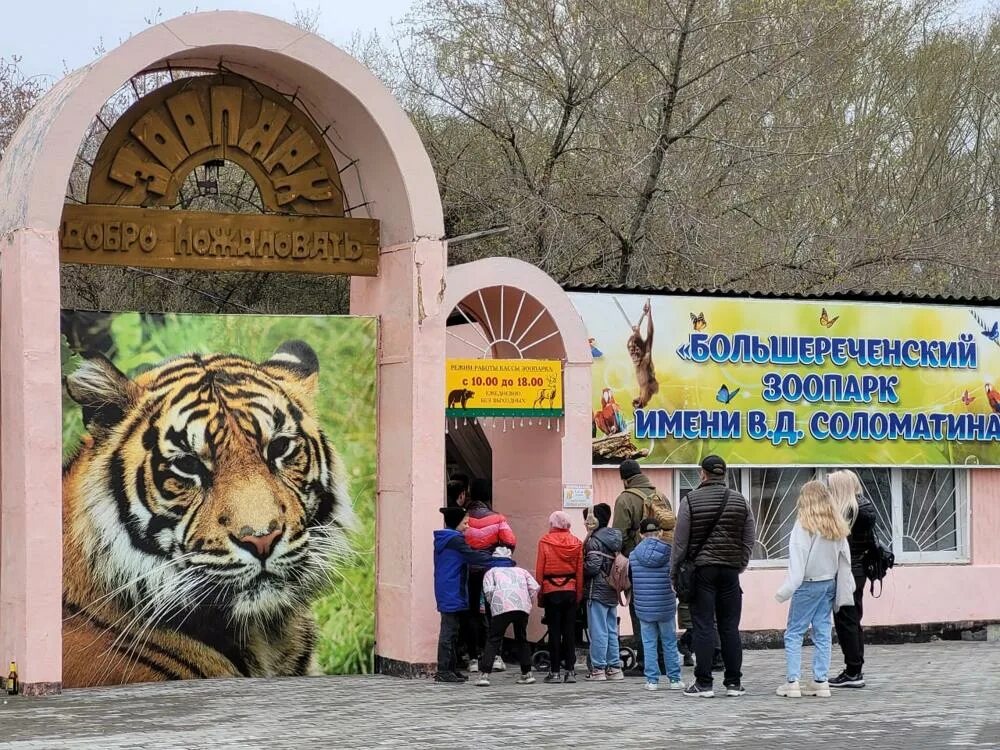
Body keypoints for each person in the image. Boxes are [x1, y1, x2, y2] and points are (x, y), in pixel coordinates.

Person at [671, 454, 755, 698]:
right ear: (725, 474)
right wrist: (740, 563)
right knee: (730, 627)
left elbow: (680, 543)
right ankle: (733, 683)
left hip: (702, 571)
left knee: (703, 625)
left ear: (703, 474)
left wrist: (675, 573)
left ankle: (704, 683)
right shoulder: (740, 501)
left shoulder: (690, 500)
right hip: (730, 571)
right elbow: (749, 536)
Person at [774, 480, 853, 698]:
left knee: (794, 633)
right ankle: (820, 680)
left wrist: (785, 590)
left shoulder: (803, 525)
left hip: (807, 584)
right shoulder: (836, 524)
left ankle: (793, 682)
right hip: (829, 583)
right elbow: (844, 559)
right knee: (823, 631)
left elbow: (797, 562)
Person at [612, 459, 671, 674]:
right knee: (663, 610)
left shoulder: (625, 499)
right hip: (663, 561)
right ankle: (666, 660)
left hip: (638, 563)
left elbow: (617, 536)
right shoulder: (661, 496)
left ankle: (647, 662)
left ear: (625, 479)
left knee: (641, 613)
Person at [433, 506, 495, 683]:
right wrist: (500, 561)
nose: (468, 526)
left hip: (451, 590)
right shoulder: (454, 540)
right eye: (465, 522)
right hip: (452, 591)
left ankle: (450, 668)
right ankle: (444, 670)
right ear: (456, 523)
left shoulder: (450, 539)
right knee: (449, 631)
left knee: (453, 631)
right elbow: (474, 557)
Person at [827, 469, 877, 689]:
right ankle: (855, 668)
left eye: (831, 486)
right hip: (859, 569)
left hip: (848, 569)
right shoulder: (864, 507)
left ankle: (853, 671)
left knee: (846, 620)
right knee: (853, 618)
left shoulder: (849, 511)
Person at [464, 478, 517, 673]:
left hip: (469, 572)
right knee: (493, 612)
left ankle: (472, 658)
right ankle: (494, 656)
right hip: (491, 572)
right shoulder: (497, 519)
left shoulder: (465, 518)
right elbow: (510, 541)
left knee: (471, 614)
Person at [629, 518, 684, 691]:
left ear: (640, 534)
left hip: (644, 606)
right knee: (669, 642)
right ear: (660, 532)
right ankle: (674, 679)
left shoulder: (633, 555)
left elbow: (631, 580)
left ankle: (652, 680)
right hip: (665, 604)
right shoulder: (670, 552)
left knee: (649, 643)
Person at [477, 547, 540, 687]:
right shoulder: (521, 571)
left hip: (501, 608)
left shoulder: (491, 572)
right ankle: (527, 673)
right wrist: (528, 602)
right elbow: (534, 587)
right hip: (522, 607)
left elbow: (488, 591)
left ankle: (484, 675)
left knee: (493, 639)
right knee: (522, 639)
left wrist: (493, 604)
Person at [536, 510, 585, 683]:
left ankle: (555, 672)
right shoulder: (577, 543)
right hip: (570, 590)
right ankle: (570, 672)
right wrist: (578, 594)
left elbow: (539, 571)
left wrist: (540, 595)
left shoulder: (544, 541)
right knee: (570, 632)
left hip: (551, 590)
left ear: (552, 524)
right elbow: (579, 572)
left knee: (554, 632)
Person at [583, 503, 625, 681]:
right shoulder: (614, 537)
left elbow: (593, 567)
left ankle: (598, 669)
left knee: (598, 630)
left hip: (597, 590)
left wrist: (580, 568)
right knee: (611, 629)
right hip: (612, 589)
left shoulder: (594, 540)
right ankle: (614, 668)